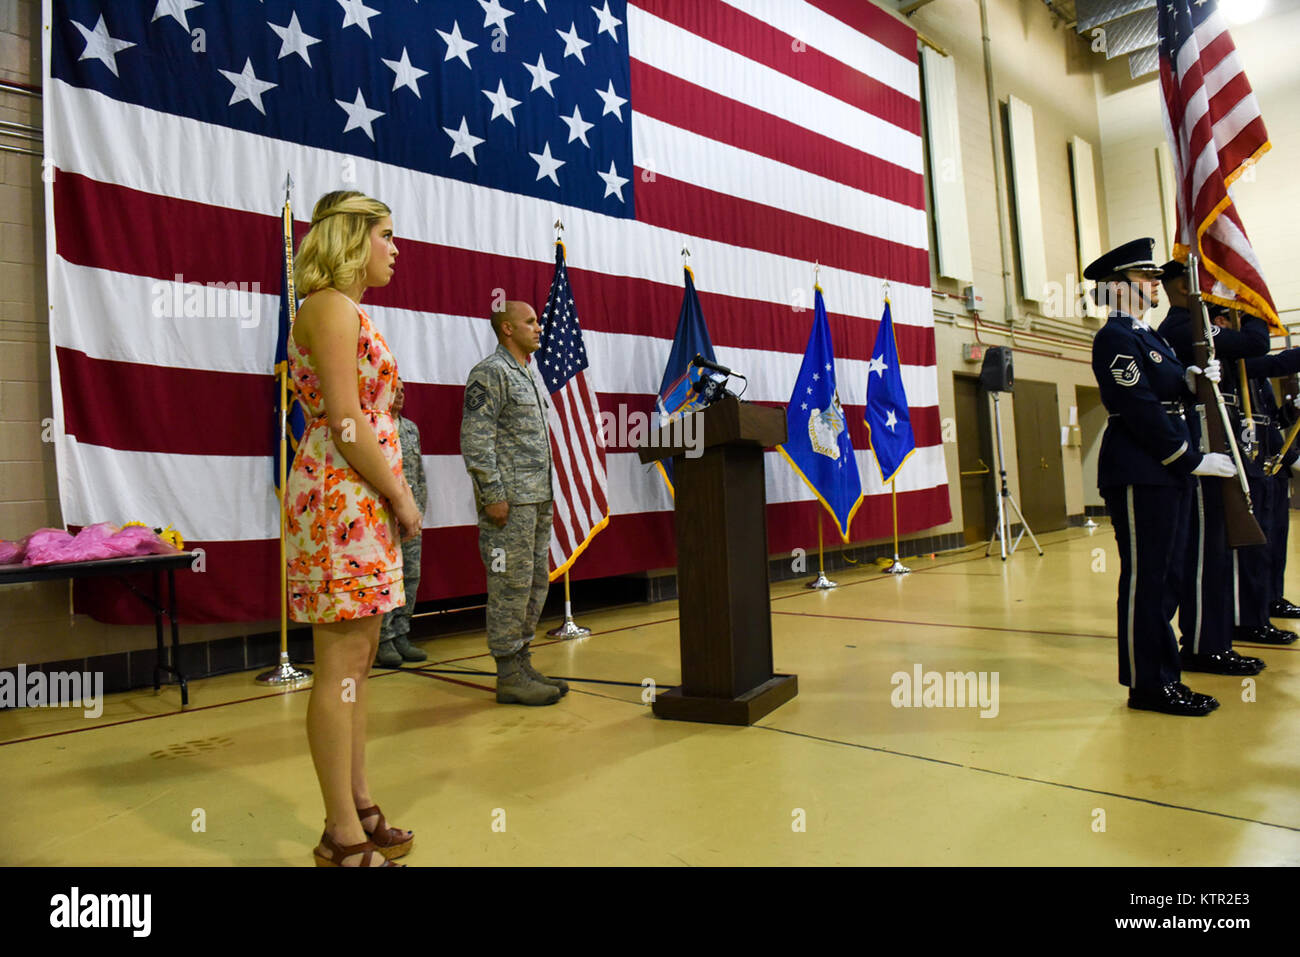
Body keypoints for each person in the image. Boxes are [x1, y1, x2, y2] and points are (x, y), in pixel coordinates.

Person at [285, 190, 423, 866]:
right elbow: (345, 420)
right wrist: (400, 495)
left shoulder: (350, 310)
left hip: (356, 500)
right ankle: (340, 832)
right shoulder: (329, 307)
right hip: (341, 500)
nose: (395, 249)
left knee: (358, 664)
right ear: (351, 238)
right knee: (338, 662)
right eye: (386, 235)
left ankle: (360, 801)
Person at [1087, 238, 1230, 716]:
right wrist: (1187, 458)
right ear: (1119, 286)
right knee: (1146, 579)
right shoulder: (1115, 337)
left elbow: (1165, 394)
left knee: (1168, 576)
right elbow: (1139, 406)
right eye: (1145, 277)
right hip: (1140, 469)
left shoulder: (1151, 338)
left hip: (1163, 471)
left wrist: (1191, 381)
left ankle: (1164, 676)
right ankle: (1148, 684)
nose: (1154, 284)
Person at [1156, 263, 1268, 675]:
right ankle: (1204, 644)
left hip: (1218, 443)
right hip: (1202, 448)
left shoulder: (1193, 326)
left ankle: (1216, 641)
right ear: (1187, 286)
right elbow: (1255, 346)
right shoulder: (1183, 328)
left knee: (1217, 551)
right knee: (1205, 554)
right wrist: (1254, 304)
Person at [460, 300, 567, 706]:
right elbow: (476, 438)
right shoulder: (490, 373)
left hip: (538, 497)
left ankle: (522, 661)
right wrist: (493, 493)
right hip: (511, 503)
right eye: (530, 322)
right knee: (510, 585)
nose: (539, 327)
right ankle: (507, 672)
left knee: (535, 582)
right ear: (507, 328)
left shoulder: (529, 374)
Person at [376, 376, 430, 667]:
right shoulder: (374, 429)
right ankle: (382, 639)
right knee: (387, 578)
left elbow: (419, 473)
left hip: (411, 516)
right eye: (394, 390)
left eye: (403, 391)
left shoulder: (410, 429)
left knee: (410, 575)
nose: (399, 396)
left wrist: (419, 508)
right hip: (383, 518)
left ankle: (401, 633)